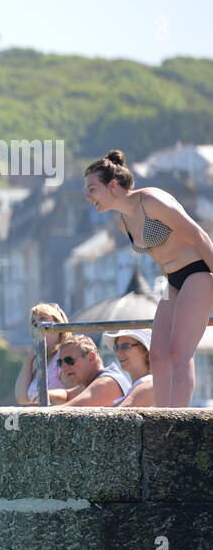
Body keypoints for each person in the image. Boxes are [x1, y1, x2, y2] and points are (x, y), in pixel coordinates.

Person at [85, 150, 213, 405]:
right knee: (156, 354)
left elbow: (200, 236)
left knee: (179, 351)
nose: (88, 197)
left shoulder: (152, 200)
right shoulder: (122, 221)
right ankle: (162, 416)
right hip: (172, 281)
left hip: (198, 271)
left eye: (92, 189)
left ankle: (179, 418)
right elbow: (159, 257)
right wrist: (170, 286)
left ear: (113, 185)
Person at [48, 334, 133, 406]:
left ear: (91, 357)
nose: (63, 367)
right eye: (60, 362)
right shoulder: (93, 382)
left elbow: (66, 411)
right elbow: (67, 395)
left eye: (69, 361)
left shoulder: (106, 383)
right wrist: (45, 395)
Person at [14, 302, 71, 405]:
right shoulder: (41, 360)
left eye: (42, 319)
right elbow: (22, 399)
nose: (36, 324)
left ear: (57, 323)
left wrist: (49, 396)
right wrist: (29, 359)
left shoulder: (65, 355)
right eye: (33, 322)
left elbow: (74, 393)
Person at [107, 328, 154, 407]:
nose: (118, 353)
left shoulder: (148, 385)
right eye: (116, 347)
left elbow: (117, 416)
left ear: (144, 350)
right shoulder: (143, 384)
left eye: (125, 346)